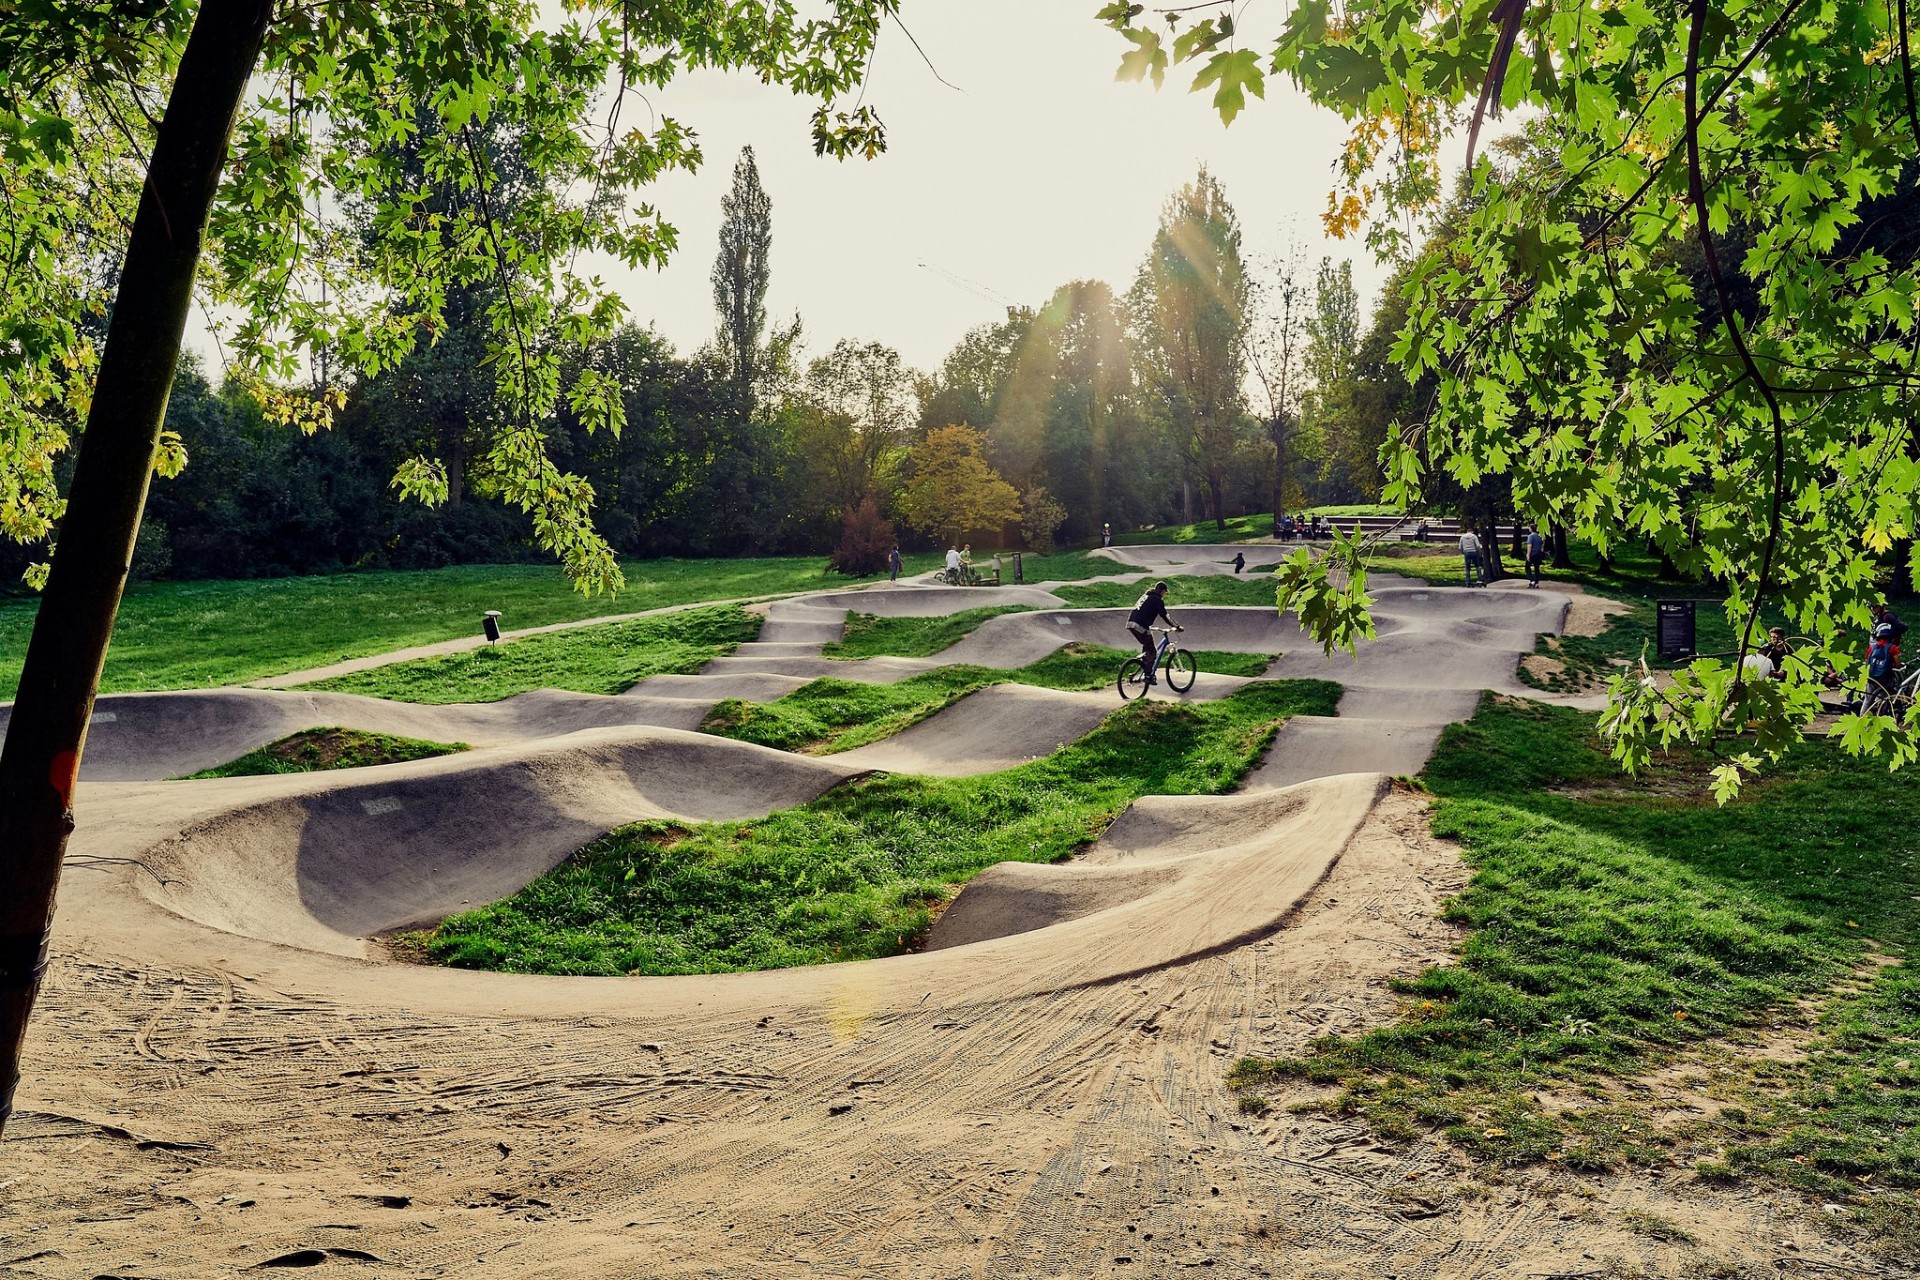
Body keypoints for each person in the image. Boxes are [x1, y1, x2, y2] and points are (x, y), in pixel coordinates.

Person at [1126, 580, 1179, 687]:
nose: (1164, 595)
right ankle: (1148, 676)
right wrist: (1176, 626)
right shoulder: (1157, 599)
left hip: (1131, 623)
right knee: (1152, 651)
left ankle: (1144, 667)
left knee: (1147, 647)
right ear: (1162, 591)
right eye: (1164, 593)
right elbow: (1164, 615)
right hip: (1140, 625)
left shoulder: (1146, 596)